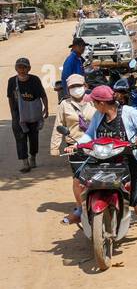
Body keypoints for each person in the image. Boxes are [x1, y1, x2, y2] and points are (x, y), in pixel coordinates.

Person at [74, 85, 137, 241]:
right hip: (102, 159)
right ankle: (82, 211)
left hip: (128, 160)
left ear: (101, 103)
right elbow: (89, 134)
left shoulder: (130, 112)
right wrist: (78, 144)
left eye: (93, 102)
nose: (92, 105)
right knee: (82, 182)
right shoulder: (98, 116)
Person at [52, 73, 91, 223]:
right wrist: (55, 147)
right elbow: (58, 126)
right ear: (68, 90)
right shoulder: (64, 105)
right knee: (78, 179)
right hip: (73, 146)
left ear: (85, 86)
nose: (76, 89)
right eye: (72, 87)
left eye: (78, 86)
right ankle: (79, 208)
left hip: (96, 145)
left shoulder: (94, 101)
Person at [7, 57, 48, 172]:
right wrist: (13, 114)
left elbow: (43, 95)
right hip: (18, 115)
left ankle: (33, 157)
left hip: (33, 114)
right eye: (19, 67)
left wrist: (46, 109)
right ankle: (25, 163)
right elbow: (10, 98)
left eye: (24, 67)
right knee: (20, 138)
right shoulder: (12, 81)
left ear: (29, 68)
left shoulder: (35, 80)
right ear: (16, 68)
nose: (22, 70)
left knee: (33, 137)